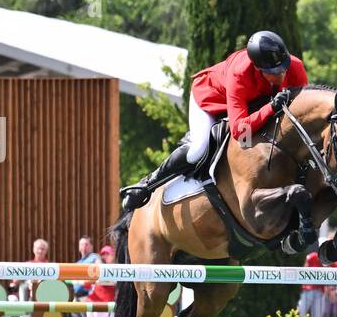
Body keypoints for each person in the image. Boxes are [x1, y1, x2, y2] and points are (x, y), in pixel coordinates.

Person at [120, 31, 309, 208]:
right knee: (197, 150)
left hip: (249, 107)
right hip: (210, 100)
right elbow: (240, 130)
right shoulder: (240, 74)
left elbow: (302, 113)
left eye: (283, 68)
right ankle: (147, 184)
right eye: (274, 72)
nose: (282, 74)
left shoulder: (294, 66)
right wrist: (271, 107)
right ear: (258, 69)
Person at [294, 251, 327, 317]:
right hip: (307, 290)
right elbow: (304, 267)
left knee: (317, 316)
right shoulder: (313, 256)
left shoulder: (330, 259)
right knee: (301, 314)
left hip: (319, 291)